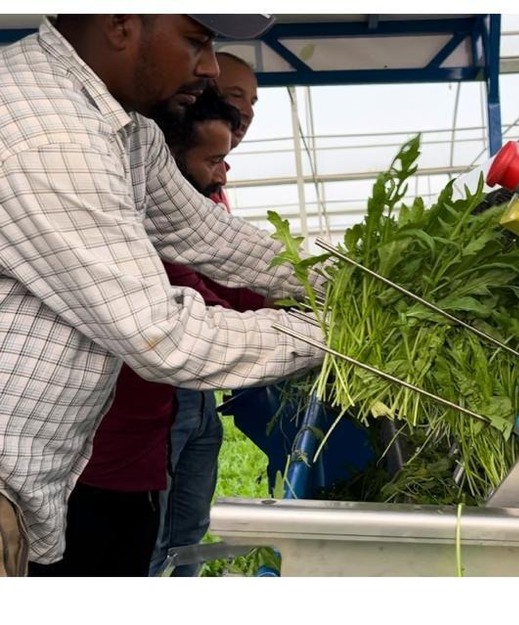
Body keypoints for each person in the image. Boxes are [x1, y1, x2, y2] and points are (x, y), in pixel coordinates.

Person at [0, 14, 326, 576]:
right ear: (120, 23)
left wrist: (355, 282)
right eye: (197, 41)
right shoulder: (49, 135)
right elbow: (165, 336)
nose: (210, 68)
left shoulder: (124, 127)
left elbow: (211, 236)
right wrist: (348, 335)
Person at [27, 87, 247, 577]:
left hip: (142, 446)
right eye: (213, 158)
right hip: (97, 458)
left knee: (161, 535)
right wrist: (305, 334)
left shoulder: (177, 205)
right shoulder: (111, 218)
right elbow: (178, 316)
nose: (222, 172)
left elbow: (224, 261)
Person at [149, 54, 265, 577]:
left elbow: (231, 272)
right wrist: (285, 326)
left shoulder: (210, 189)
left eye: (252, 103)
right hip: (156, 391)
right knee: (154, 530)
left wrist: (275, 300)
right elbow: (188, 292)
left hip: (192, 391)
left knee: (187, 525)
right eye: (236, 96)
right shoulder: (156, 196)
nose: (246, 113)